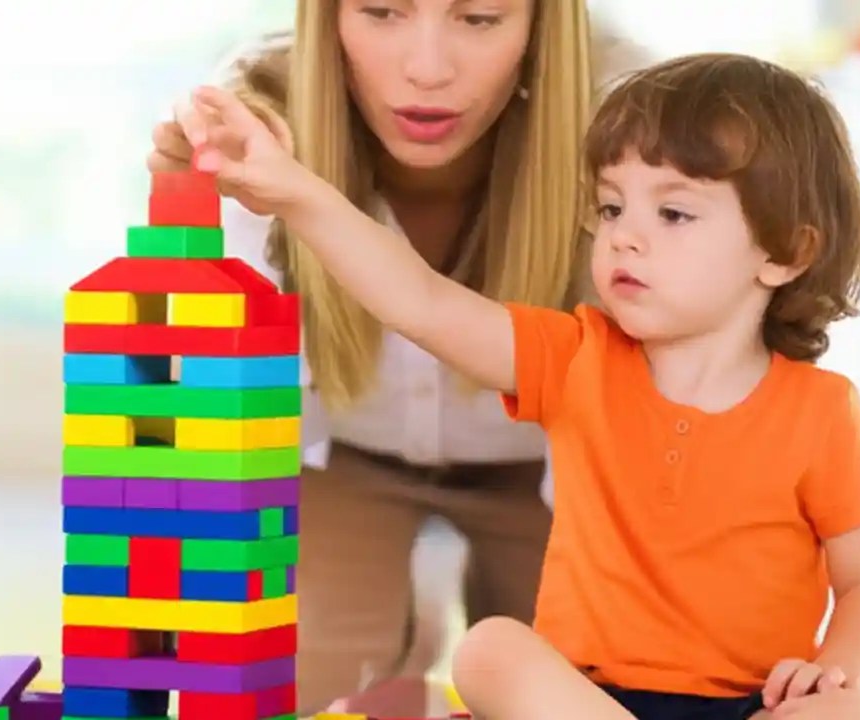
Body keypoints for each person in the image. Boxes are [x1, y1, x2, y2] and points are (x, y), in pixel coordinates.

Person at [184, 50, 860, 720]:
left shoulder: (821, 411)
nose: (623, 235)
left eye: (674, 213)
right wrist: (296, 193)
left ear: (786, 252)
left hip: (751, 703)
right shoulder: (575, 358)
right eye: (613, 207)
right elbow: (421, 302)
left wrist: (833, 670)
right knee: (490, 649)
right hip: (583, 699)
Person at [147, 1, 646, 714]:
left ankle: (425, 610)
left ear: (540, 24)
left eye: (479, 18)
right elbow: (203, 395)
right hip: (350, 457)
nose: (427, 70)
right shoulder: (261, 101)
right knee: (282, 674)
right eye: (381, 11)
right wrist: (209, 199)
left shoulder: (634, 113)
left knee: (590, 688)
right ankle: (398, 625)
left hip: (548, 470)